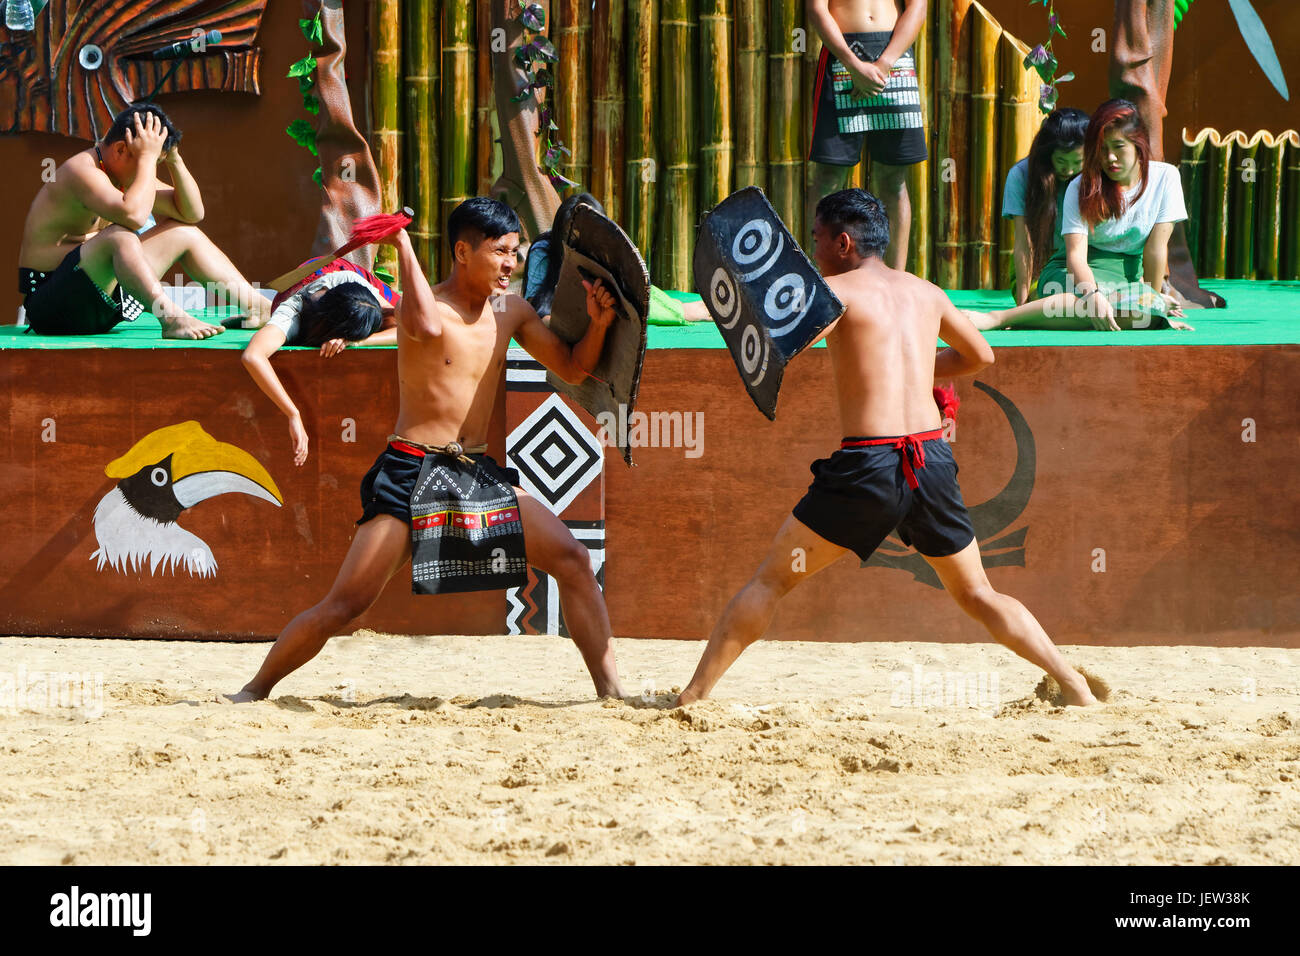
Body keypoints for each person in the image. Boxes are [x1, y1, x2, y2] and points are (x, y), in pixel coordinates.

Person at [677, 189, 1100, 707]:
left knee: (770, 582)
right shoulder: (926, 292)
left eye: (816, 241)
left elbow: (777, 340)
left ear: (843, 241)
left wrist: (695, 308)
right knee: (978, 594)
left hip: (868, 467)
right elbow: (981, 355)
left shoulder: (833, 294)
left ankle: (692, 697)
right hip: (931, 463)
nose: (812, 253)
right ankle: (1073, 683)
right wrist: (919, 370)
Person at [228, 197, 627, 702]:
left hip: (473, 473)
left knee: (572, 558)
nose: (511, 264)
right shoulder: (423, 308)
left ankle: (613, 694)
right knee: (345, 606)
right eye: (500, 252)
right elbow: (428, 328)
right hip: (411, 473)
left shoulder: (513, 311)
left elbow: (572, 369)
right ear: (462, 251)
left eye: (515, 252)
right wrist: (402, 243)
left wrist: (599, 324)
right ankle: (253, 690)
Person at [17, 102, 269, 338]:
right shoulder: (82, 171)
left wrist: (173, 160)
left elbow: (192, 213)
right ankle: (171, 318)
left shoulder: (122, 172)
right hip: (52, 305)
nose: (148, 172)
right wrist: (148, 159)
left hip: (100, 299)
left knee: (184, 232)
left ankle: (258, 307)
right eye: (145, 161)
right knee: (120, 235)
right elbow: (134, 218)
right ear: (120, 149)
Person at [967, 99, 1193, 332]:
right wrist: (1092, 295)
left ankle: (1037, 315)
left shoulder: (1166, 178)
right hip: (1073, 273)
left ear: (1139, 145)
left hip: (1125, 277)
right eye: (1103, 149)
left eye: (1119, 146)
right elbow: (1074, 255)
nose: (1110, 158)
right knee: (1091, 300)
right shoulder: (1081, 184)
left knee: (1145, 315)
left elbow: (1155, 250)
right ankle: (1001, 318)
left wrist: (1152, 301)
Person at [806, 0, 929, 272]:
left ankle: (895, 277)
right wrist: (852, 63)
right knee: (829, 176)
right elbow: (816, 9)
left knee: (894, 179)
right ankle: (818, 277)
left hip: (894, 59)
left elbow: (918, 7)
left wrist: (884, 63)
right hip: (842, 56)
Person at [242, 258, 401, 465]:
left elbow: (405, 329)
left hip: (346, 272)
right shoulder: (293, 311)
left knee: (401, 311)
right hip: (305, 278)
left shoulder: (356, 286)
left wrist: (358, 341)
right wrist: (293, 414)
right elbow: (253, 356)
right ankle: (260, 312)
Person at [523, 192, 710, 324]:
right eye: (570, 235)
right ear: (559, 232)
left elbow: (632, 295)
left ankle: (683, 309)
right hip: (569, 318)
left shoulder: (606, 248)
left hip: (607, 310)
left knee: (654, 303)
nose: (578, 243)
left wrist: (678, 311)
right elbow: (535, 309)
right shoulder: (544, 250)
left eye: (587, 235)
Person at [1002, 107, 1089, 306]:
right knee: (1059, 299)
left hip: (1088, 263)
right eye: (1060, 161)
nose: (1068, 169)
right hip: (1041, 269)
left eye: (1078, 162)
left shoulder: (1094, 176)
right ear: (1046, 153)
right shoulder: (1021, 175)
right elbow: (1024, 243)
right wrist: (1022, 306)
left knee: (1090, 295)